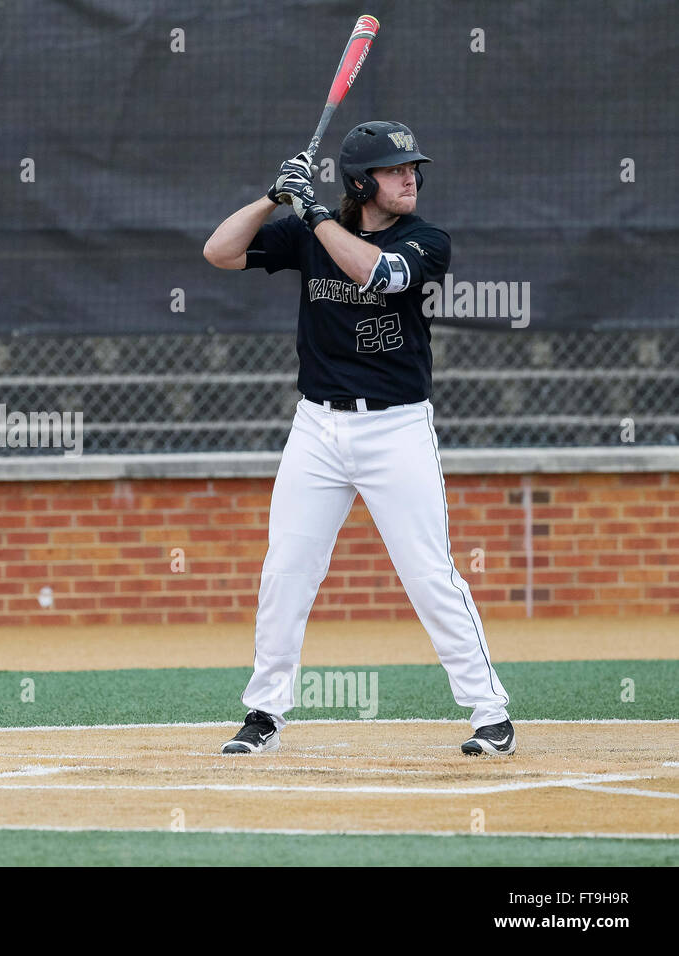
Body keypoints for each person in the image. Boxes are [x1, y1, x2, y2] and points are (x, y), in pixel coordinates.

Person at [203, 121, 514, 757]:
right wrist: (272, 197)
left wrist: (313, 212)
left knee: (429, 573)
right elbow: (219, 251)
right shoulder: (307, 232)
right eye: (395, 169)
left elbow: (376, 275)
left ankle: (491, 713)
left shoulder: (426, 239)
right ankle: (264, 712)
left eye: (412, 168)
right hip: (317, 426)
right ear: (361, 181)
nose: (410, 178)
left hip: (396, 427)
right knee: (287, 570)